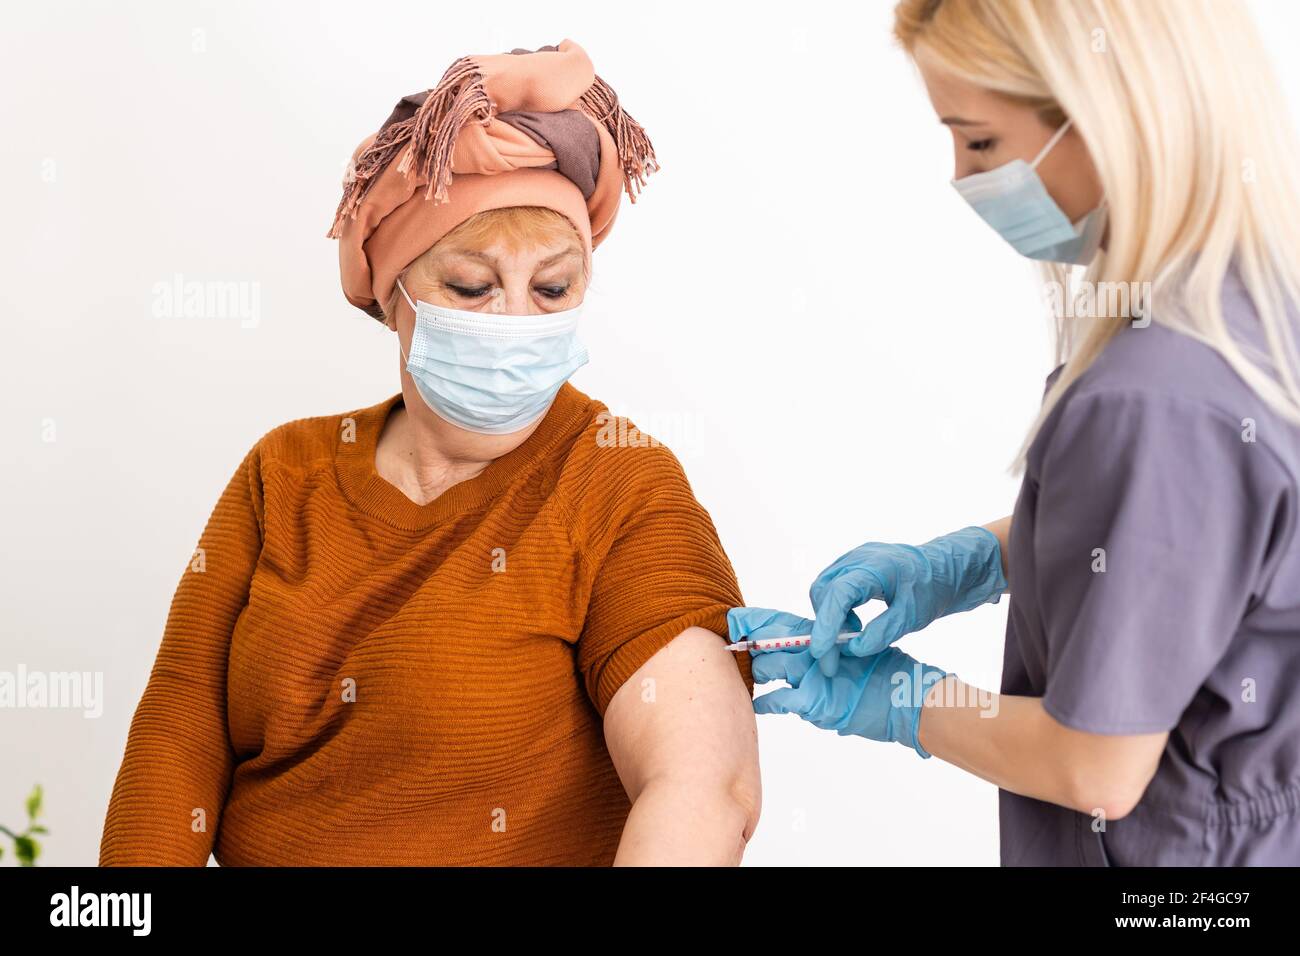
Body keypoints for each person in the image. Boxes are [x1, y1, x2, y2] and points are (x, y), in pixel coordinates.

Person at [100, 39, 760, 866]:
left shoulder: (619, 482)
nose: (516, 321)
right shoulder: (285, 473)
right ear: (396, 294)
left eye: (551, 289)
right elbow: (181, 719)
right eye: (472, 287)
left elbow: (703, 785)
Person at [731, 0, 1300, 865]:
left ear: (1108, 112)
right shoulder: (1253, 305)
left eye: (982, 142)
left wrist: (905, 702)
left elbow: (1099, 767)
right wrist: (971, 564)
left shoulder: (1154, 396)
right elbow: (1194, 551)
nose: (962, 176)